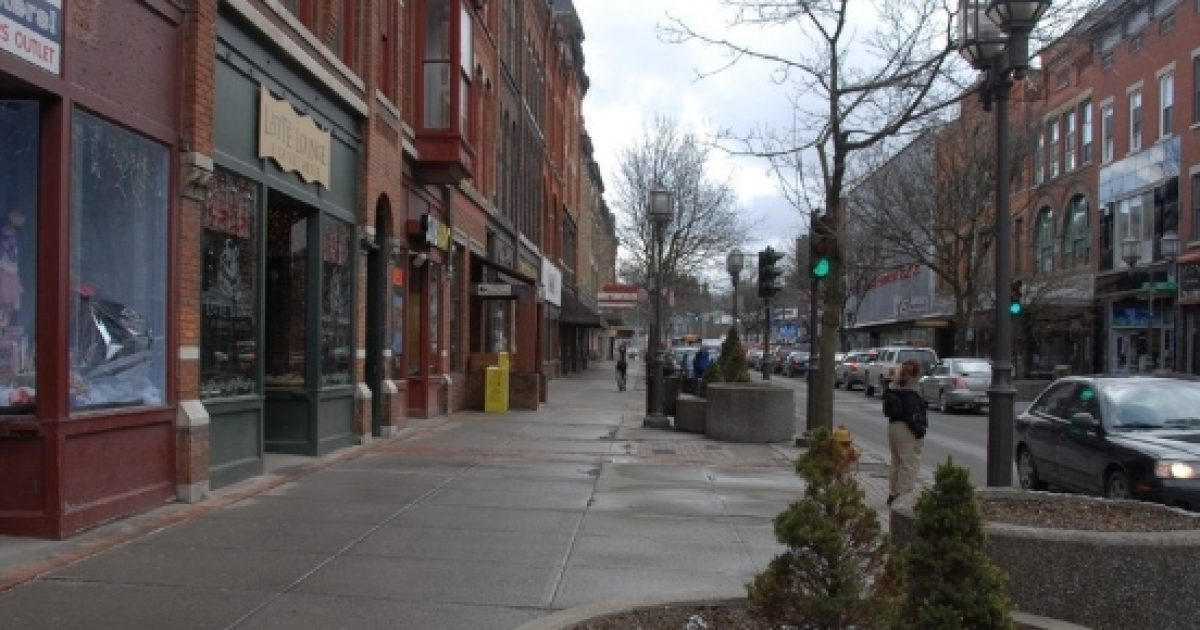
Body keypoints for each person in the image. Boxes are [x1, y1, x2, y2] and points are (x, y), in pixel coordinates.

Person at [882, 359, 926, 506]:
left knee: (896, 461)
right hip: (906, 429)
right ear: (914, 375)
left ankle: (892, 493)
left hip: (892, 426)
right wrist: (919, 430)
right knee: (908, 463)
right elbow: (912, 414)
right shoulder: (911, 391)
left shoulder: (893, 387)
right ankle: (903, 497)